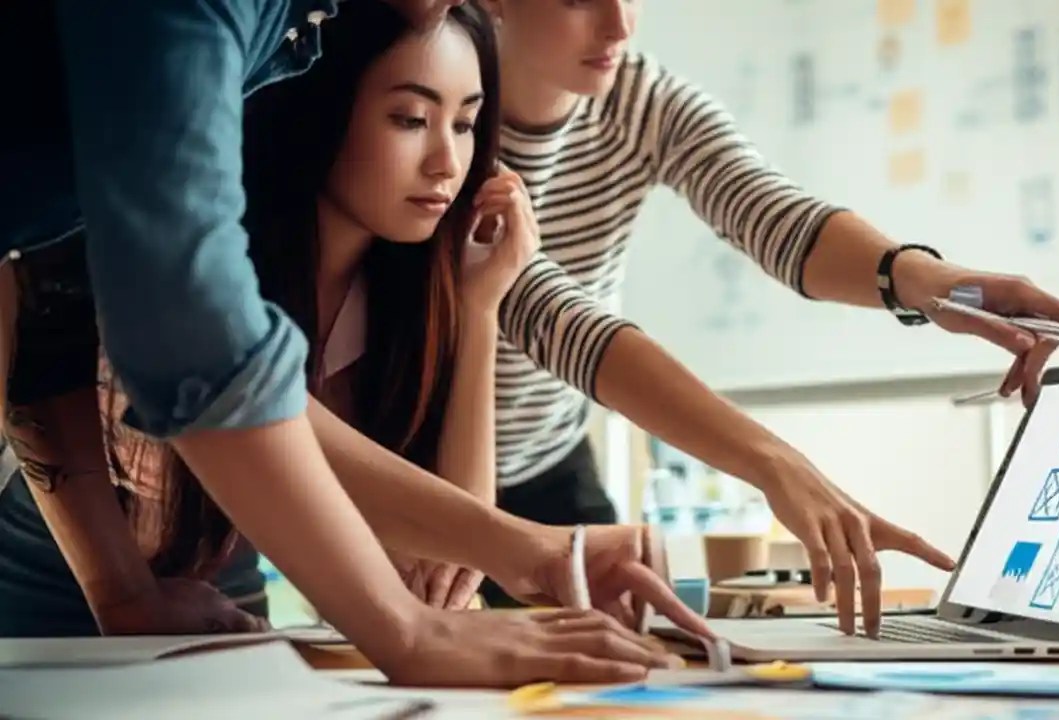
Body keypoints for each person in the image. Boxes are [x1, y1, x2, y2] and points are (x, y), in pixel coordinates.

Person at [0, 0, 708, 687]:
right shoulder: (213, 243)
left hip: (206, 579)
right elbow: (186, 342)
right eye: (409, 118)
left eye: (467, 124)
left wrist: (480, 311)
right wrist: (515, 555)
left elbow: (443, 577)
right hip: (51, 583)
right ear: (321, 112)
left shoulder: (412, 279)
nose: (446, 163)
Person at [464, 0, 1059, 637]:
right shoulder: (446, 113)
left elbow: (770, 211)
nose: (619, 24)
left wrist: (930, 282)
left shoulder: (639, 98)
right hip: (431, 457)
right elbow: (556, 319)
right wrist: (775, 463)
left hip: (551, 456)